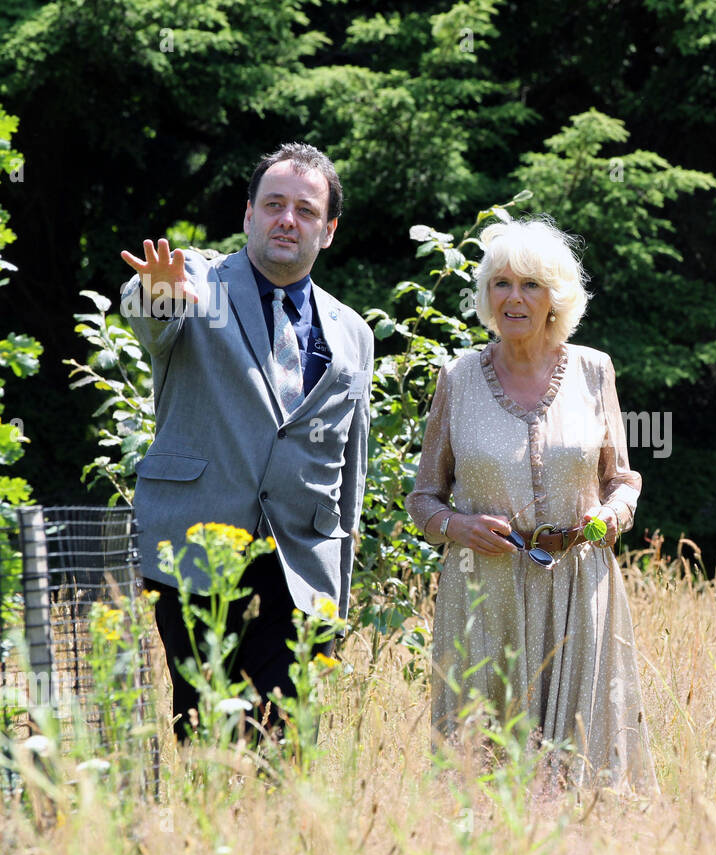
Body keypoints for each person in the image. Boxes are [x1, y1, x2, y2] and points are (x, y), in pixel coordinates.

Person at [119, 143, 373, 742]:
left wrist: (339, 579)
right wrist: (154, 293)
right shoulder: (196, 282)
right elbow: (152, 316)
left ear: (328, 230)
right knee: (207, 724)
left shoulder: (353, 333)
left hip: (300, 561)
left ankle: (277, 834)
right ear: (248, 216)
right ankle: (214, 832)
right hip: (195, 543)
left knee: (286, 735)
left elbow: (351, 465)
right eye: (274, 204)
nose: (288, 219)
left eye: (306, 211)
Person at [406, 218, 657, 794]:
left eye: (531, 285)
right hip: (482, 593)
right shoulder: (459, 377)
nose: (513, 298)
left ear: (556, 299)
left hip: (578, 590)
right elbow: (422, 498)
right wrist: (459, 527)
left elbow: (623, 481)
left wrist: (608, 518)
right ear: (487, 296)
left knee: (580, 766)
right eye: (501, 284)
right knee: (483, 767)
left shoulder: (595, 370)